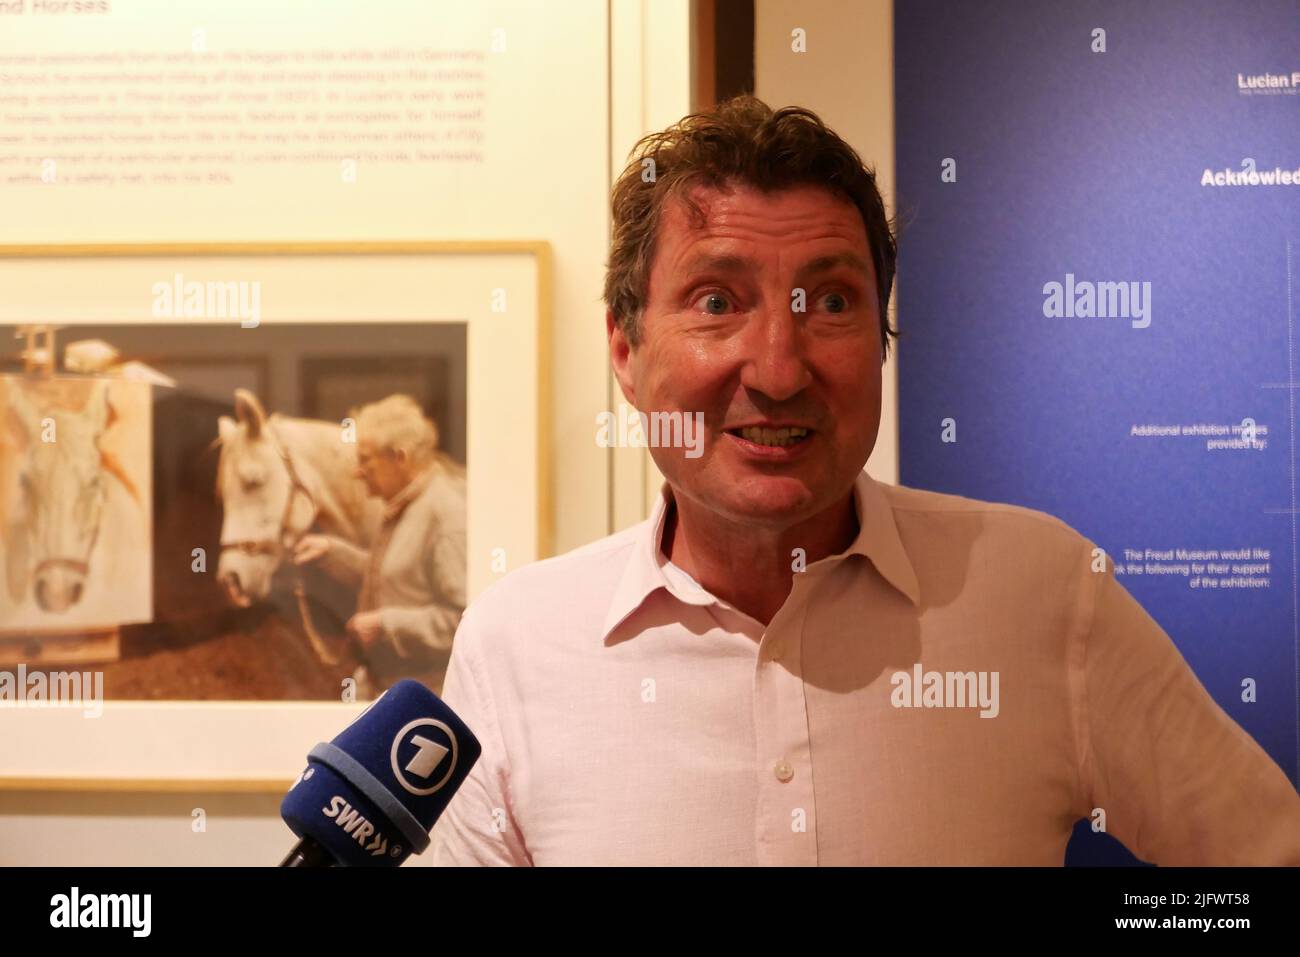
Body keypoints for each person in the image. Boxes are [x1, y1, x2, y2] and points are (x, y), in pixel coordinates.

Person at [429, 95, 1300, 865]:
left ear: (882, 341)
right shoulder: (515, 648)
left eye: (833, 302)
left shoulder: (1044, 591)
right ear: (624, 349)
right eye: (717, 301)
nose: (776, 369)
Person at [294, 394, 466, 698]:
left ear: (399, 457)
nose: (356, 472)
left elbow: (464, 620)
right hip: (390, 690)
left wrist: (387, 625)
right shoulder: (404, 506)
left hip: (428, 700)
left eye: (365, 460)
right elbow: (394, 576)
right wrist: (332, 552)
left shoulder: (445, 516)